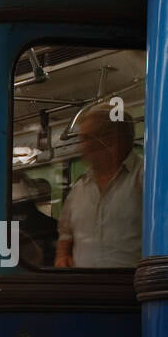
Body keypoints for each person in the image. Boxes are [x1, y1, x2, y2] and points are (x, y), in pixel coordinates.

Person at [55, 110, 142, 268]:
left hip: (132, 285)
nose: (81, 147)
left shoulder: (146, 177)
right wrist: (63, 255)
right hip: (86, 286)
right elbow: (65, 232)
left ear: (110, 139)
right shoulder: (80, 187)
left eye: (86, 138)